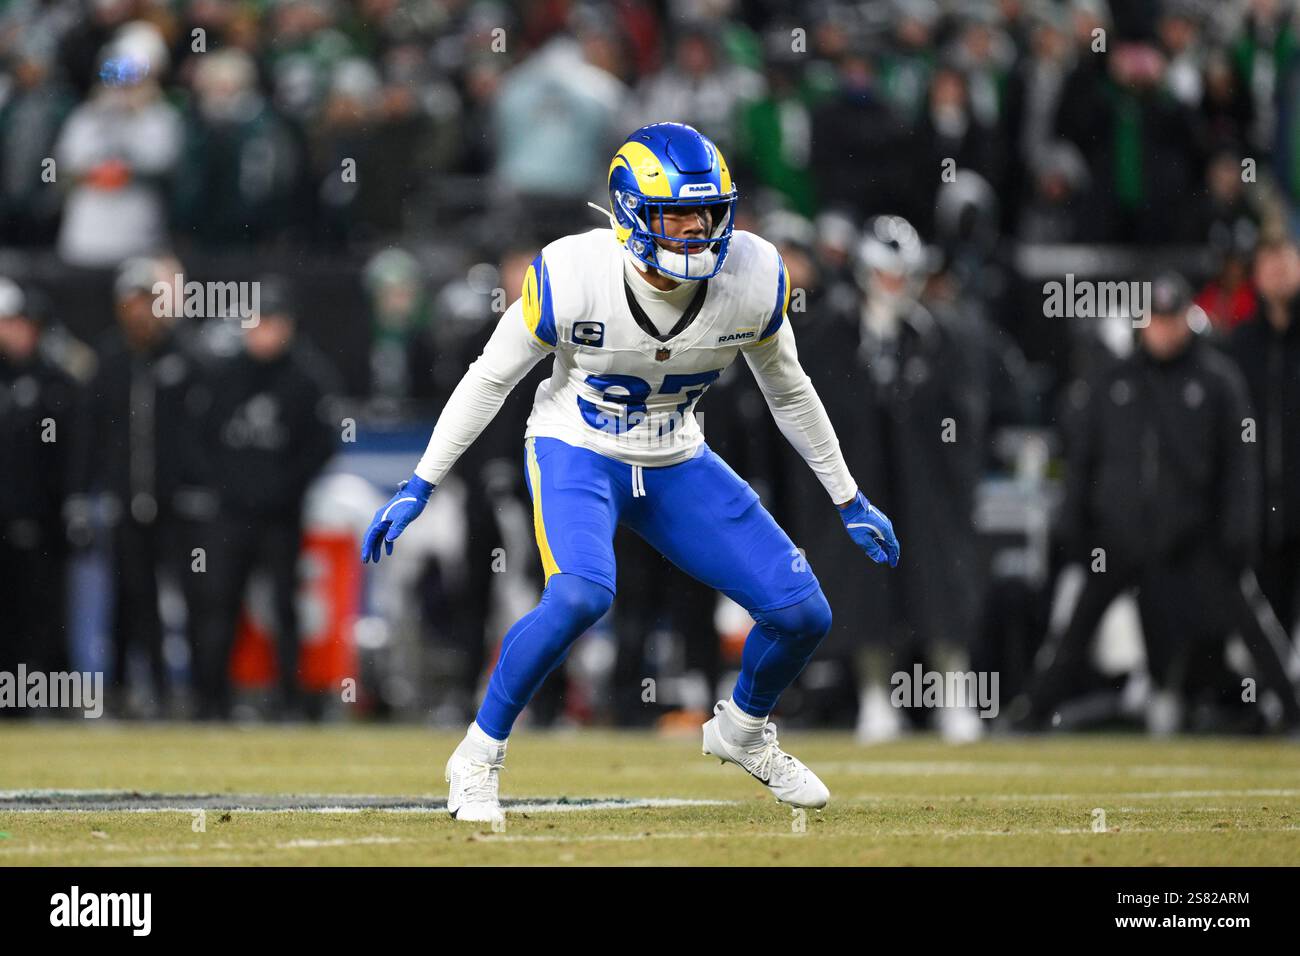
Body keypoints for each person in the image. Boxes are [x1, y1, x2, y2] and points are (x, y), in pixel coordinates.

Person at [360, 123, 900, 823]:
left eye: (707, 213)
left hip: (676, 454)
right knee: (582, 595)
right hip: (577, 446)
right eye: (677, 214)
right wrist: (420, 484)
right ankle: (476, 756)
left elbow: (788, 390)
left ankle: (741, 729)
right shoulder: (571, 273)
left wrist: (848, 496)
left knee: (802, 614)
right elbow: (489, 379)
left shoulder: (755, 275)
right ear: (630, 216)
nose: (697, 230)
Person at [1011, 272, 1300, 733]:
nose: (1164, 329)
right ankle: (1030, 714)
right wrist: (1075, 523)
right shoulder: (1113, 380)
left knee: (1250, 618)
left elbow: (1241, 466)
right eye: (1155, 319)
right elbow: (1084, 460)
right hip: (1121, 535)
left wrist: (1239, 528)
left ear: (1188, 319)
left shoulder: (1216, 379)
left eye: (1171, 319)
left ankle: (1292, 706)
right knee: (1074, 629)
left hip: (1194, 533)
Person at [195, 278, 339, 719]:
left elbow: (323, 443)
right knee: (219, 603)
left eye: (270, 324)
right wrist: (224, 485)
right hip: (231, 514)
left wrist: (286, 486)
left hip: (280, 514)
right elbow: (198, 439)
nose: (261, 334)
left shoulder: (306, 378)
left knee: (284, 607)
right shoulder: (223, 375)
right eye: (254, 325)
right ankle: (211, 702)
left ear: (287, 327)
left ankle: (290, 701)